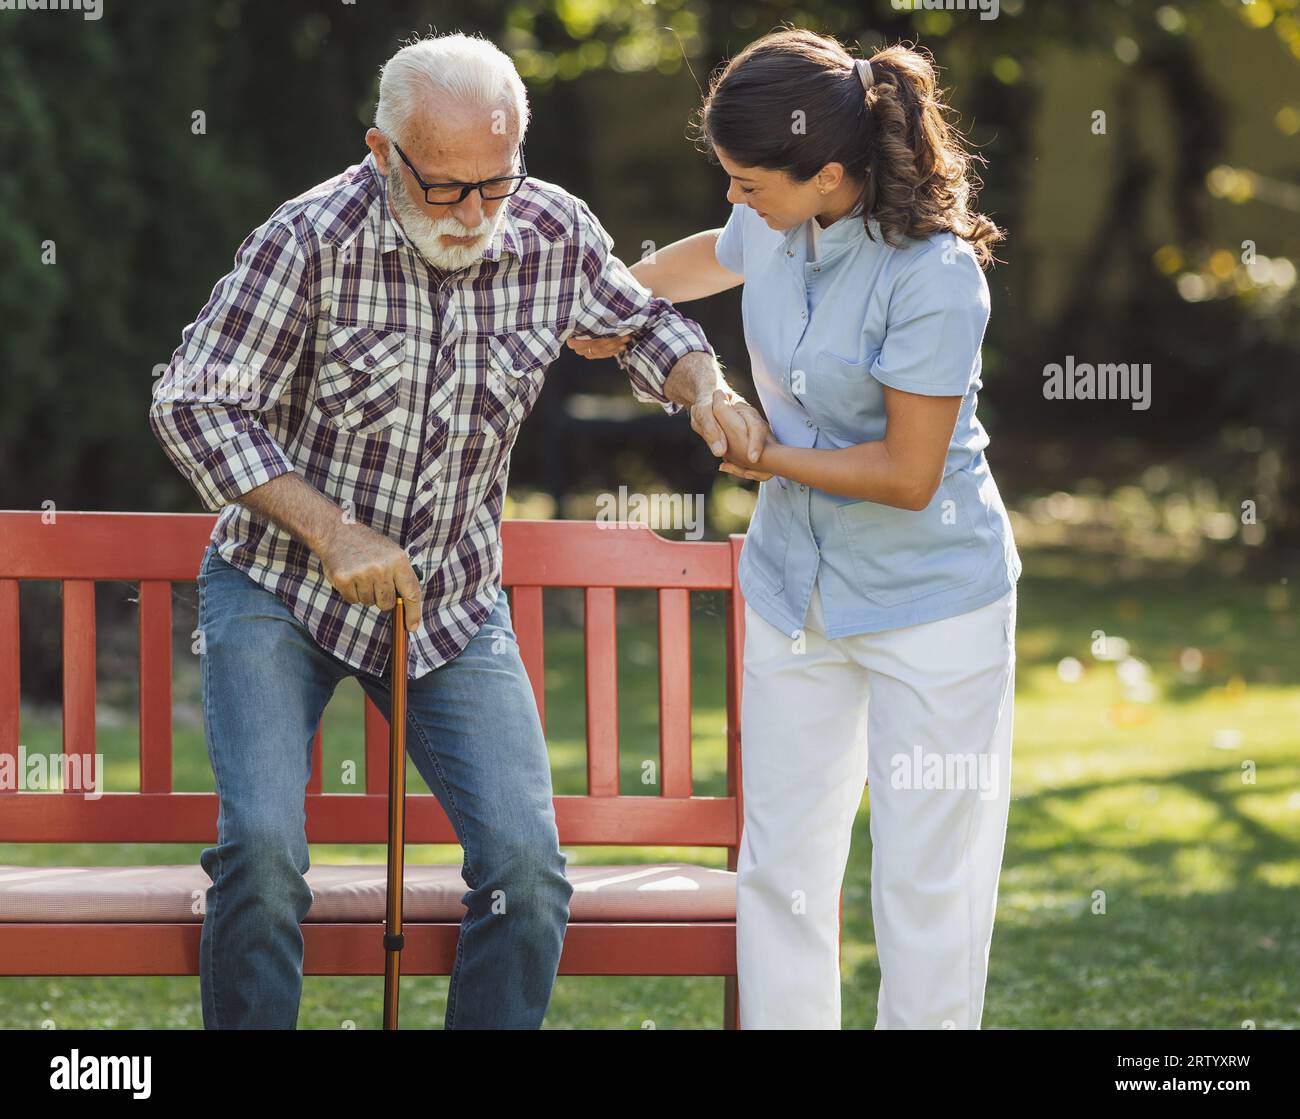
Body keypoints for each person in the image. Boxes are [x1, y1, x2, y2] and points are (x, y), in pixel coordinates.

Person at [148, 30, 770, 1029]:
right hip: (278, 588)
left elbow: (644, 324)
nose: (475, 214)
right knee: (263, 857)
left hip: (447, 606)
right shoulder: (307, 239)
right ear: (381, 153)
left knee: (527, 875)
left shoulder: (552, 231)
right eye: (444, 189)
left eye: (496, 184)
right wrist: (333, 530)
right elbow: (193, 404)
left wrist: (705, 387)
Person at [568, 29, 1022, 1029]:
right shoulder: (777, 221)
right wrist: (619, 295)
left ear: (829, 174)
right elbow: (714, 253)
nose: (734, 198)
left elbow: (906, 476)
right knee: (782, 869)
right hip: (791, 591)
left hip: (931, 608)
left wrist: (759, 454)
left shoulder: (935, 276)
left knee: (925, 884)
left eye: (747, 181)